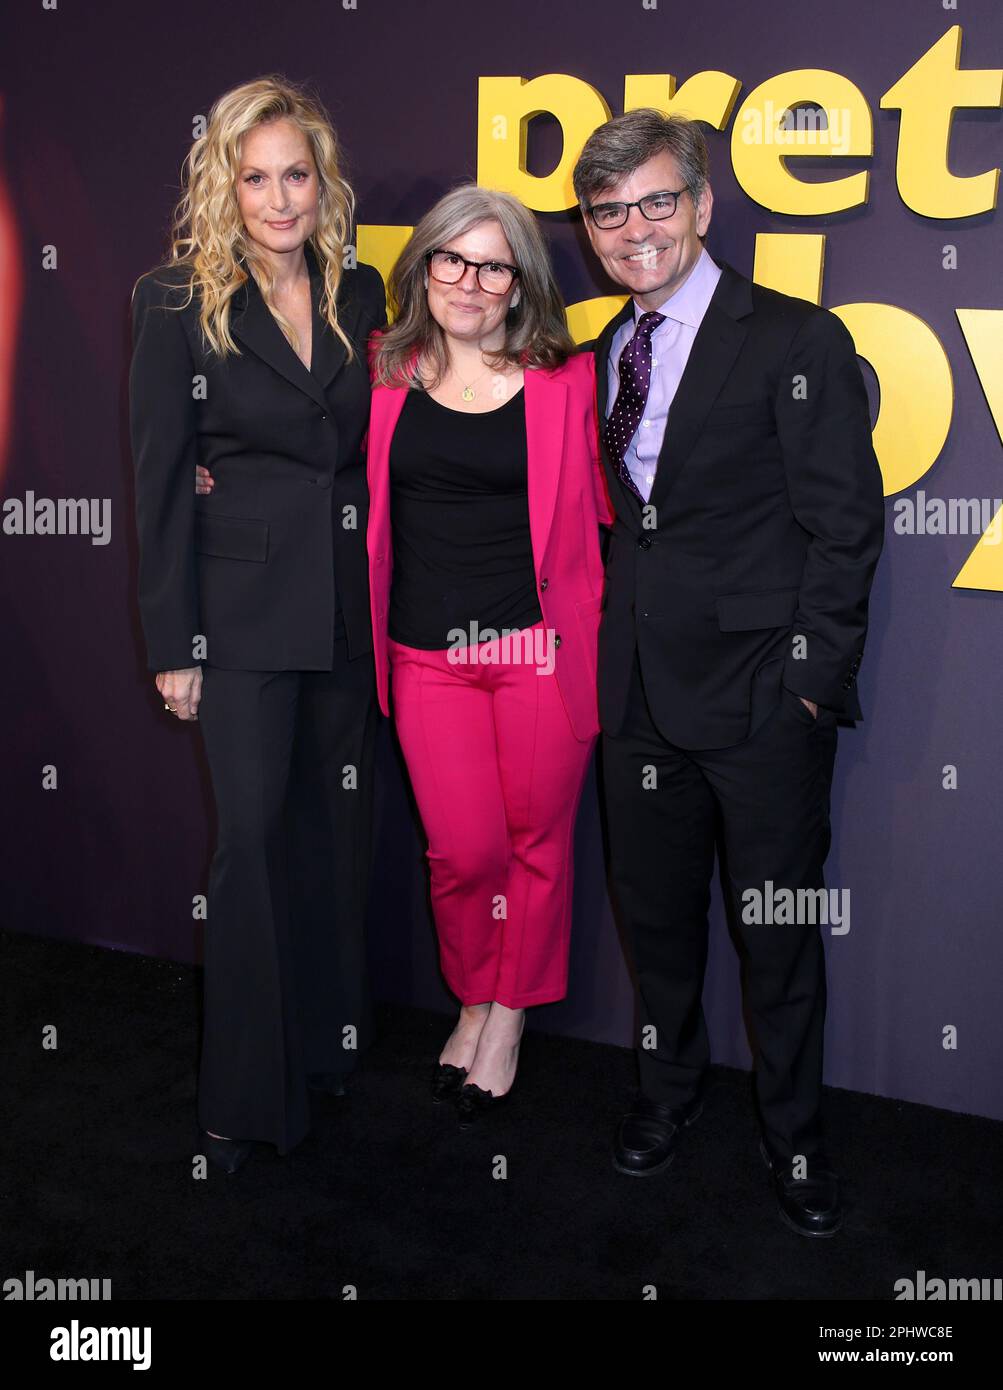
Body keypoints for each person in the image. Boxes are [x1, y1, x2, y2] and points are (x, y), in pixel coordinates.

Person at [574, 109, 884, 1234]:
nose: (635, 228)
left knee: (777, 936)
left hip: (763, 702)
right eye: (610, 212)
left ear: (702, 206)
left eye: (657, 201)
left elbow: (845, 528)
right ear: (590, 230)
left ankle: (795, 1137)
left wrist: (807, 683)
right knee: (655, 929)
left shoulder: (796, 341)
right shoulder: (598, 352)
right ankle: (666, 1096)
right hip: (638, 699)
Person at [130, 76, 387, 1172]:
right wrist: (173, 643)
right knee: (247, 849)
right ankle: (243, 1096)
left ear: (321, 181)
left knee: (335, 836)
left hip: (347, 609)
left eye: (297, 174)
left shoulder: (361, 287)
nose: (280, 198)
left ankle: (324, 1050)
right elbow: (155, 481)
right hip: (235, 620)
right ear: (222, 183)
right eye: (256, 177)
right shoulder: (173, 301)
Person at [365, 184, 613, 1125]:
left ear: (519, 284)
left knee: (536, 847)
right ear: (423, 268)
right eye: (450, 260)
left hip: (539, 654)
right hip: (425, 656)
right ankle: (472, 991)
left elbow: (626, 497)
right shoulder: (385, 376)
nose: (469, 281)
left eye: (492, 265)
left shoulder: (569, 384)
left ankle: (505, 1015)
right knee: (464, 852)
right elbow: (306, 461)